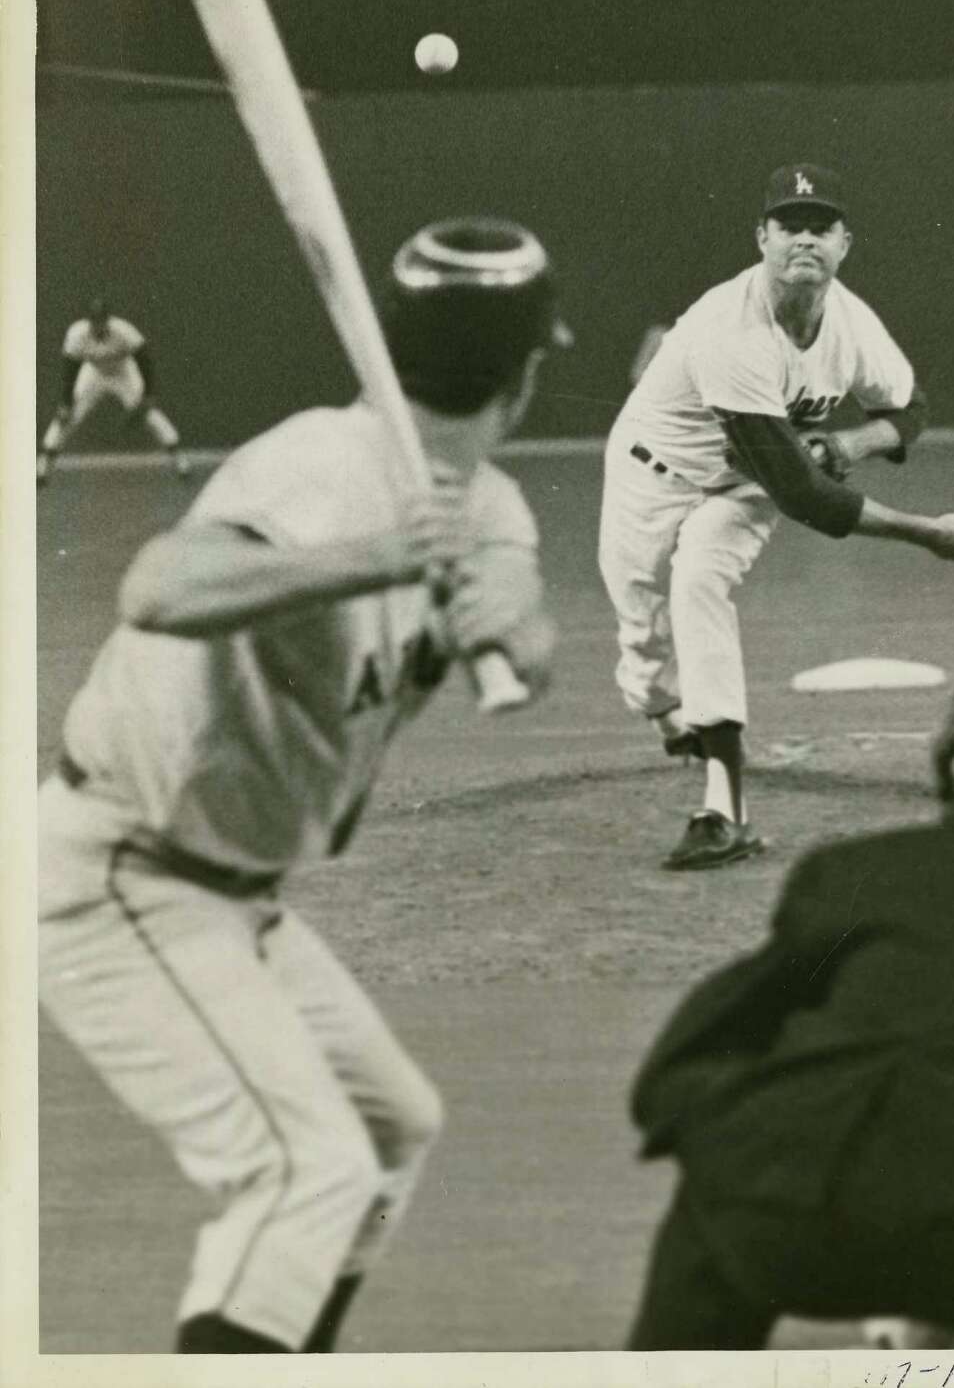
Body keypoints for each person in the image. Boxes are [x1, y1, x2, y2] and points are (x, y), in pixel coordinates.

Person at [38, 218, 569, 1354]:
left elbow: (524, 616)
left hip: (236, 894)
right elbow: (158, 585)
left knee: (388, 1133)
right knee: (301, 1168)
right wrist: (373, 558)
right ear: (531, 369)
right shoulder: (323, 468)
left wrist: (514, 625)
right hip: (118, 870)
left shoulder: (483, 506)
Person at [626, 642, 954, 1350]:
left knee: (721, 1191)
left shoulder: (857, 871)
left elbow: (681, 1063)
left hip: (811, 1219)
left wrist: (747, 1150)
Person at [598, 162, 954, 870]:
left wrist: (848, 441)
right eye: (790, 226)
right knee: (645, 647)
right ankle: (667, 715)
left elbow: (909, 409)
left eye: (821, 228)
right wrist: (925, 531)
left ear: (845, 244)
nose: (805, 240)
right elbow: (805, 495)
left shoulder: (852, 323)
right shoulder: (730, 329)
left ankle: (724, 806)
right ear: (762, 239)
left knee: (699, 587)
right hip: (650, 472)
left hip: (741, 489)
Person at [37, 298, 191, 486]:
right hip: (94, 373)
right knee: (67, 416)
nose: (98, 324)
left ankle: (180, 462)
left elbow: (145, 362)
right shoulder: (77, 334)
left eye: (101, 319)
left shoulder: (125, 331)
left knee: (150, 416)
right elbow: (70, 370)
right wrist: (66, 402)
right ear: (89, 321)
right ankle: (43, 467)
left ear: (107, 319)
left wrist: (149, 394)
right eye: (94, 320)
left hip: (123, 372)